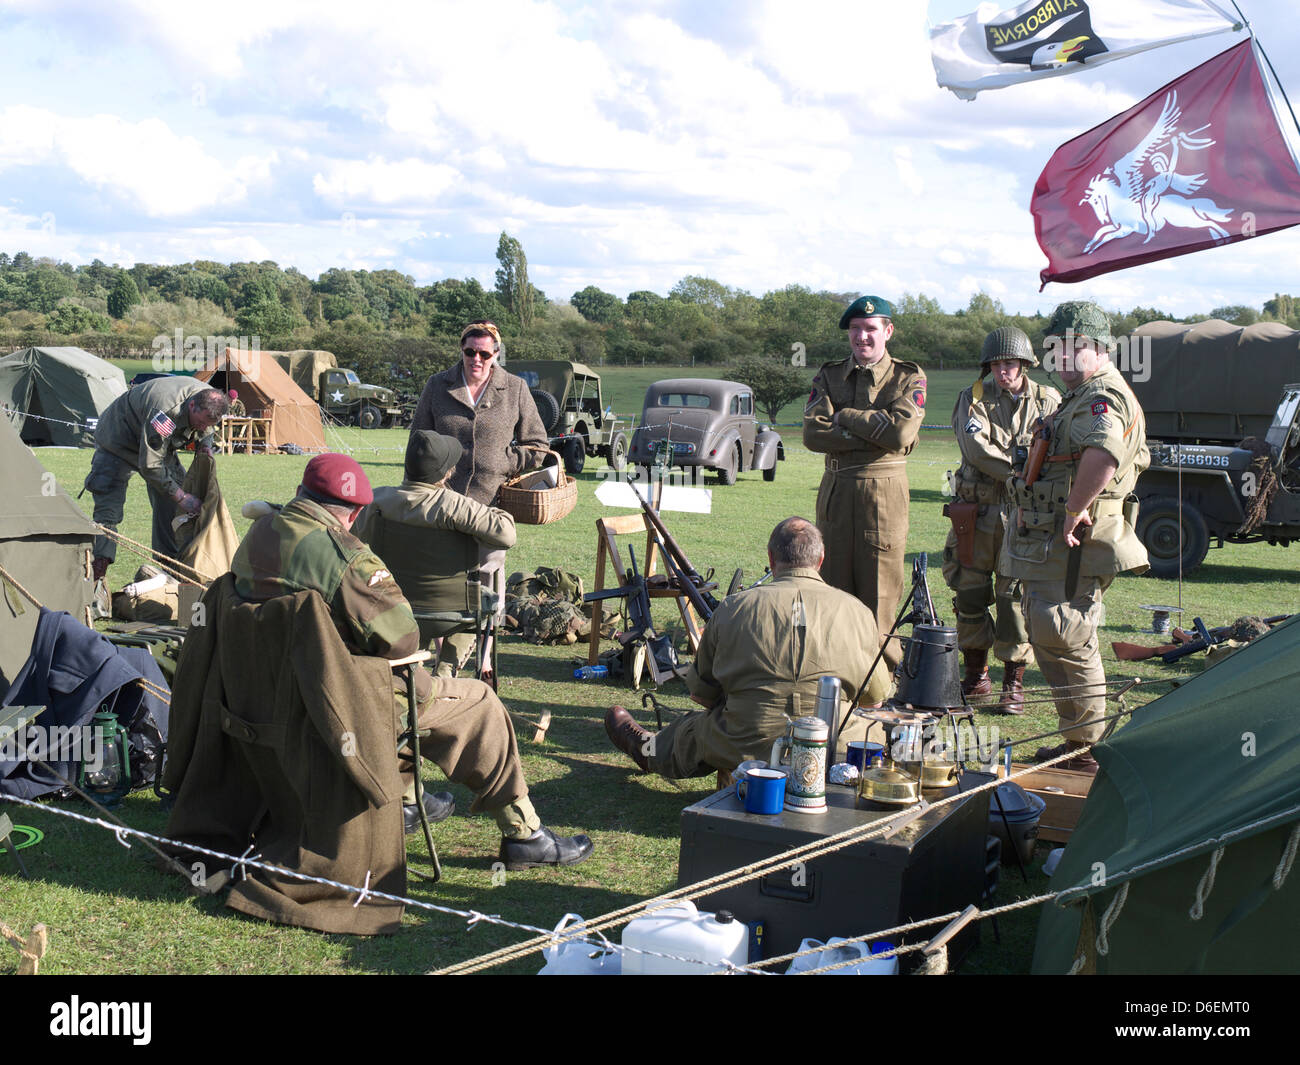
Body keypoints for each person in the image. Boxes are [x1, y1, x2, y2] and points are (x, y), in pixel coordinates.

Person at [231, 452, 593, 868]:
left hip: (264, 697)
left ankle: (403, 800)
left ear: (300, 493)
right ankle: (525, 834)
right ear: (354, 514)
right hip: (338, 707)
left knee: (396, 686)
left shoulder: (257, 536)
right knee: (479, 704)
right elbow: (403, 641)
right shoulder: (347, 560)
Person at [604, 517, 890, 779]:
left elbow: (702, 695)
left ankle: (647, 749)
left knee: (692, 730)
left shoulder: (733, 608)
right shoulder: (858, 612)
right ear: (820, 560)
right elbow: (874, 700)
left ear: (770, 557)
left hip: (747, 742)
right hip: (835, 746)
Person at [1003, 302, 1149, 773]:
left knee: (1067, 630)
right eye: (1054, 351)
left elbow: (1103, 453)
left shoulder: (1103, 396)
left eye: (1069, 350)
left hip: (1074, 539)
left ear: (1096, 348)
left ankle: (1087, 748)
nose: (1058, 361)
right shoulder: (1081, 394)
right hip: (1049, 540)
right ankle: (1075, 742)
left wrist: (1073, 509)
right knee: (1049, 630)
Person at [803, 295, 926, 671]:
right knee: (833, 586)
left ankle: (881, 681)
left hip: (884, 494)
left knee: (881, 593)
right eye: (855, 330)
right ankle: (834, 675)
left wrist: (845, 416)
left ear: (887, 331)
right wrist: (876, 430)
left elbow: (900, 432)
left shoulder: (908, 376)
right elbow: (812, 435)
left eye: (870, 329)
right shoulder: (829, 375)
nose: (862, 337)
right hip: (837, 490)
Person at [944, 327, 1060, 714]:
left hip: (1024, 515)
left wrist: (1029, 478)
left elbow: (1059, 448)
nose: (1003, 371)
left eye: (1010, 364)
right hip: (976, 514)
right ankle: (976, 677)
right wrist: (1021, 470)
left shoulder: (1049, 400)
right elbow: (976, 448)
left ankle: (1014, 682)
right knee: (970, 592)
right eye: (996, 364)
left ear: (1025, 364)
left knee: (1014, 598)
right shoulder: (972, 398)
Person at [353, 430, 516, 679]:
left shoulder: (376, 501)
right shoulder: (456, 505)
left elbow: (352, 539)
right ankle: (446, 667)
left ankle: (412, 667)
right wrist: (494, 511)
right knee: (483, 600)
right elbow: (506, 535)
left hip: (392, 609)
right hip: (451, 614)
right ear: (447, 473)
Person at [83, 378, 229, 578]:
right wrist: (181, 497)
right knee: (108, 513)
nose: (203, 428)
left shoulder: (211, 400)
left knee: (175, 510)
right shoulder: (165, 412)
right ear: (192, 405)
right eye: (201, 423)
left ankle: (168, 570)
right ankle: (96, 576)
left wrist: (205, 445)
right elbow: (151, 465)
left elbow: (208, 429)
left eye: (209, 424)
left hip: (160, 448)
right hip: (118, 443)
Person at [409, 321, 549, 505]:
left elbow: (538, 445)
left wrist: (503, 462)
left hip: (492, 504)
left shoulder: (516, 388)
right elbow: (417, 443)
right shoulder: (436, 385)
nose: (476, 359)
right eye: (470, 352)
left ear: (496, 354)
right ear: (461, 349)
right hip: (439, 501)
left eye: (484, 354)